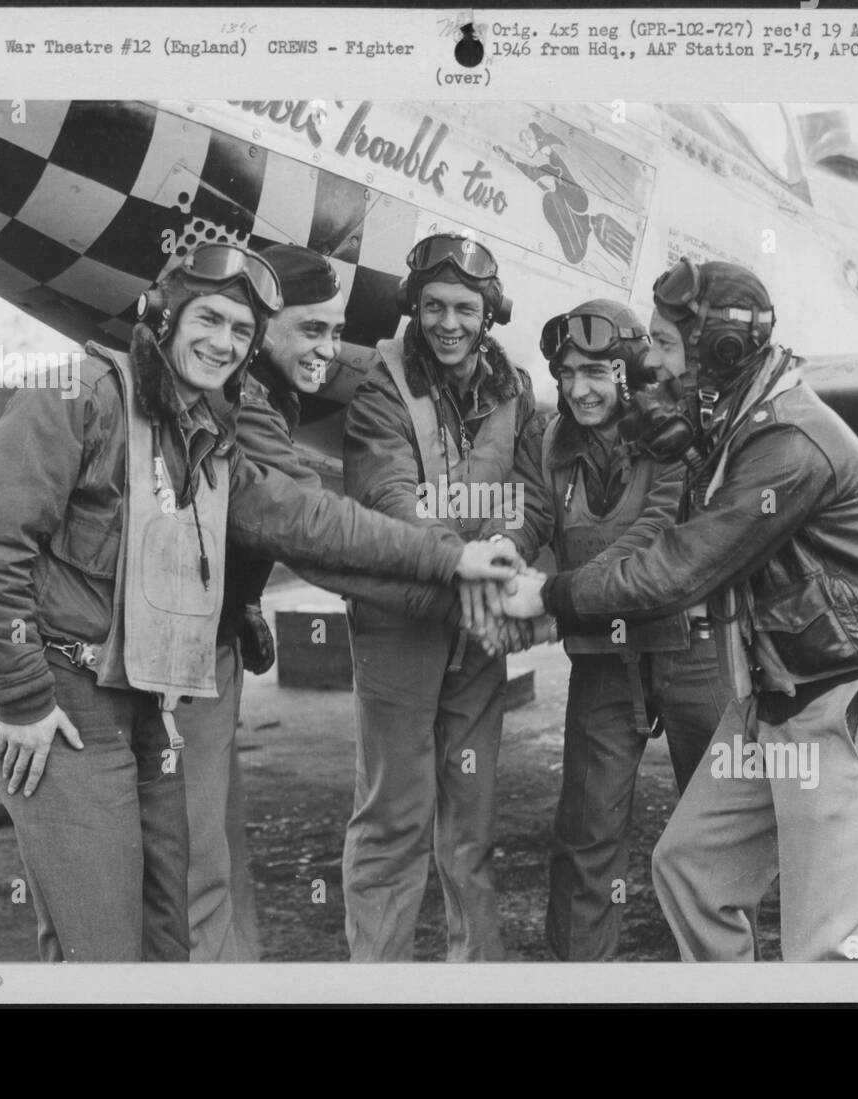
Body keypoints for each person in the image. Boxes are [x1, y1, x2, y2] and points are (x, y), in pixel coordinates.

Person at [0, 242, 519, 963]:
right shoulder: (82, 392)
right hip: (69, 703)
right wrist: (24, 698)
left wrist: (454, 556)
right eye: (208, 319)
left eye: (240, 332)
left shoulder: (209, 438)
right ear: (164, 314)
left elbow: (311, 518)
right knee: (102, 946)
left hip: (151, 707)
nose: (221, 342)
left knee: (167, 938)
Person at [502, 259, 858, 962]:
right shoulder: (734, 426)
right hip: (781, 693)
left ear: (722, 351)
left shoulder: (788, 442)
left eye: (667, 345)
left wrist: (551, 595)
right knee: (691, 875)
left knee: (824, 947)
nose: (651, 361)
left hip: (857, 694)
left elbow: (680, 565)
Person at [502, 299, 729, 960]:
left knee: (714, 836)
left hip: (694, 650)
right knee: (584, 838)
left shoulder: (672, 432)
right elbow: (530, 514)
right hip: (606, 659)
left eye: (597, 372)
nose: (578, 389)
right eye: (567, 373)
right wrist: (500, 556)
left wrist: (551, 597)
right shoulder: (552, 440)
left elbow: (649, 540)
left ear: (629, 369)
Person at [340, 232, 536, 961]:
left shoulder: (515, 387)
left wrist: (509, 549)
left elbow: (534, 492)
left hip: (477, 628)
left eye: (464, 307)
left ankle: (474, 977)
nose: (448, 323)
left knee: (470, 827)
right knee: (392, 820)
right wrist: (464, 563)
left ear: (488, 314)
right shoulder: (380, 388)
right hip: (402, 626)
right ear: (413, 310)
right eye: (433, 307)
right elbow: (389, 494)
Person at [181, 243, 349, 962]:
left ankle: (237, 973)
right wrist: (449, 571)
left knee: (219, 839)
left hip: (210, 642)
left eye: (338, 332)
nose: (330, 350)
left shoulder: (271, 387)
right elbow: (304, 519)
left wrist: (245, 597)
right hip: (171, 656)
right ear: (267, 324)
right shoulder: (245, 401)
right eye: (314, 330)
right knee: (196, 858)